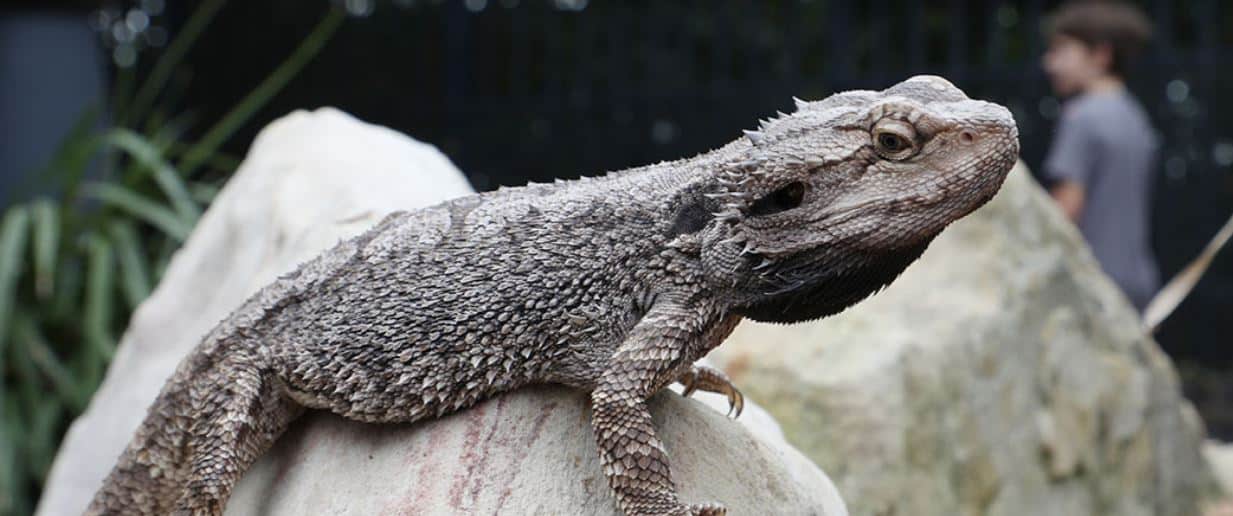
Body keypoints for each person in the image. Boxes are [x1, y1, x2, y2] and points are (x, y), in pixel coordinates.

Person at [1041, 0, 1158, 311]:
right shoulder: (1135, 117)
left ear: (1101, 55)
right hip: (1138, 279)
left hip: (1092, 282)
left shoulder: (1082, 116)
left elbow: (1066, 211)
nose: (1050, 63)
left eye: (1061, 50)